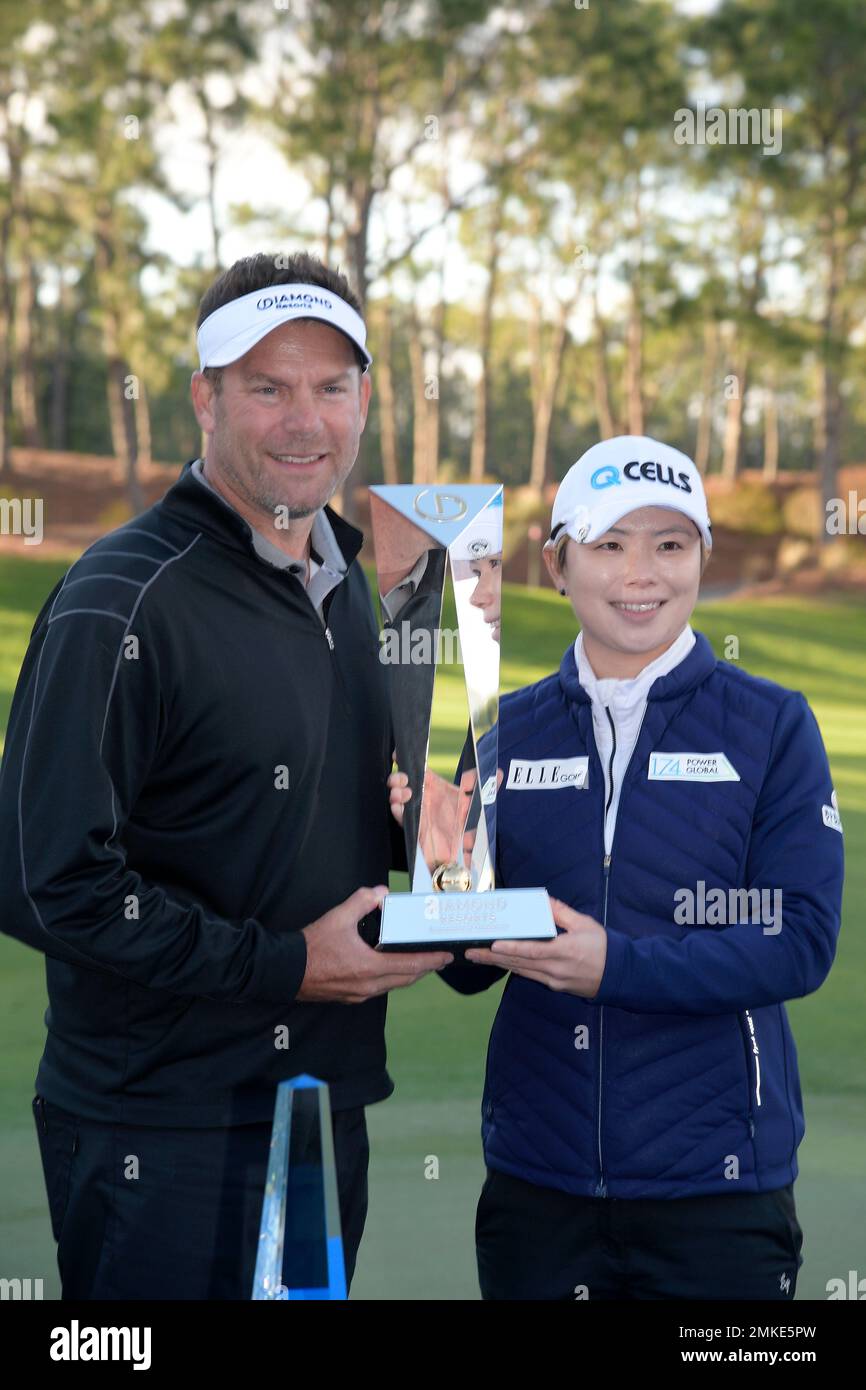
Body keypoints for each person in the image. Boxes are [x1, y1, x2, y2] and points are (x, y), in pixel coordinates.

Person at [0, 251, 453, 1300]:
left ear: (364, 398)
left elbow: (342, 832)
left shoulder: (383, 589)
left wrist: (443, 869)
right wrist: (283, 964)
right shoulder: (121, 596)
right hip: (157, 1126)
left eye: (330, 387)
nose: (305, 420)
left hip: (325, 1105)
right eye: (267, 387)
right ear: (204, 398)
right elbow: (42, 878)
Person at [389, 434, 844, 1301]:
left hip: (717, 1192)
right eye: (609, 545)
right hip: (538, 1188)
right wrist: (434, 873)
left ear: (701, 558)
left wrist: (615, 966)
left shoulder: (771, 726)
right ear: (558, 565)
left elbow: (795, 939)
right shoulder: (506, 733)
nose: (643, 573)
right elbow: (467, 968)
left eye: (670, 544)